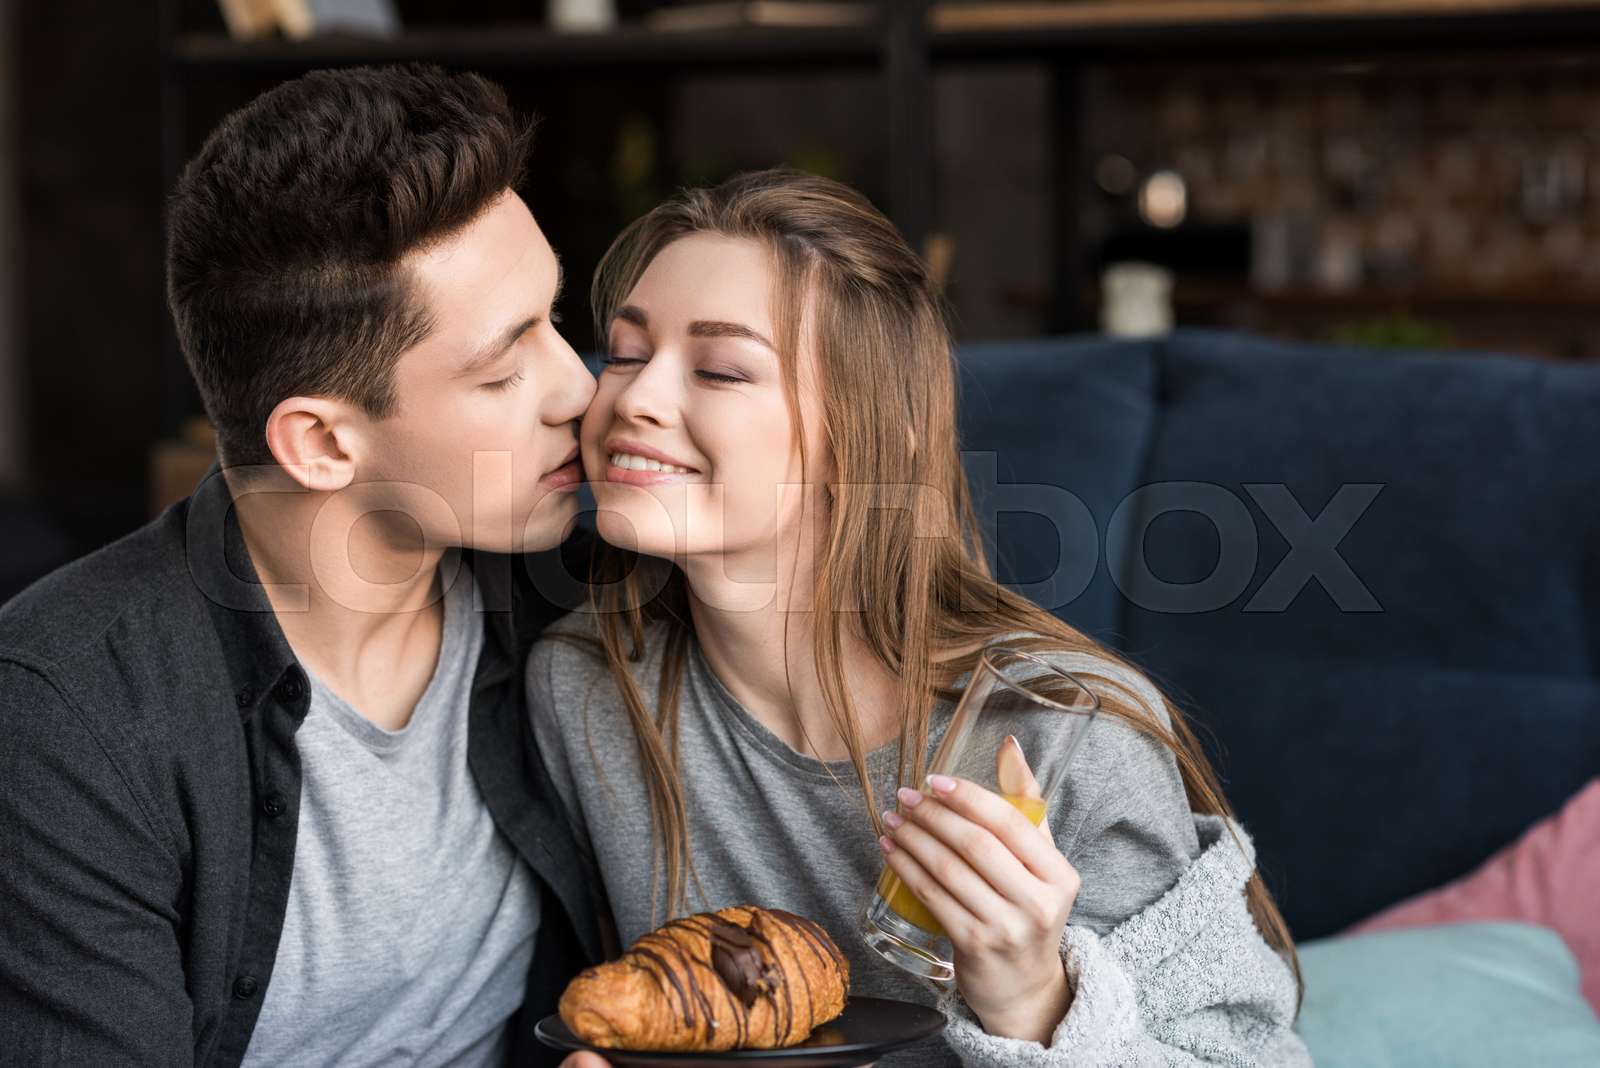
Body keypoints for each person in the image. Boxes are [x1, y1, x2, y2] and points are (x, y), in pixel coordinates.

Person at [527, 169, 1312, 1065]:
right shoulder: (589, 688)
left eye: (719, 367)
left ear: (873, 430)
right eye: (623, 353)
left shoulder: (1062, 733)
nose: (632, 399)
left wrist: (1034, 1000)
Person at [0, 64, 607, 1067]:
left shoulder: (567, 595)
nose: (572, 388)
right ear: (322, 445)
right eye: (502, 371)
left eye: (555, 320)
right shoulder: (63, 720)